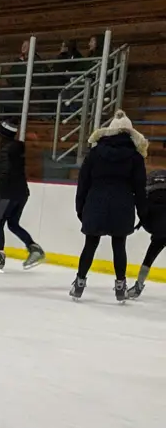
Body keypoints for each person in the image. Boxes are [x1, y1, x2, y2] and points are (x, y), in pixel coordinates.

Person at [71, 110, 148, 302]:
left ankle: (79, 283)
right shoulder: (135, 157)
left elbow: (83, 184)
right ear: (130, 133)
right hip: (122, 204)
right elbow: (140, 188)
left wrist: (80, 208)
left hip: (96, 201)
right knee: (119, 245)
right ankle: (120, 286)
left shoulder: (95, 153)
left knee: (90, 243)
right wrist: (143, 213)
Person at [0, 119, 46, 271]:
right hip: (21, 192)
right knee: (13, 223)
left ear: (1, 135)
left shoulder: (5, 151)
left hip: (8, 193)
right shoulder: (15, 149)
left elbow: (5, 172)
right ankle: (34, 249)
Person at [127, 169, 166, 299]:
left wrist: (145, 225)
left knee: (149, 257)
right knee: (149, 257)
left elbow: (143, 213)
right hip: (159, 230)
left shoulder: (148, 198)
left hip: (159, 231)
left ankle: (138, 285)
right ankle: (138, 286)